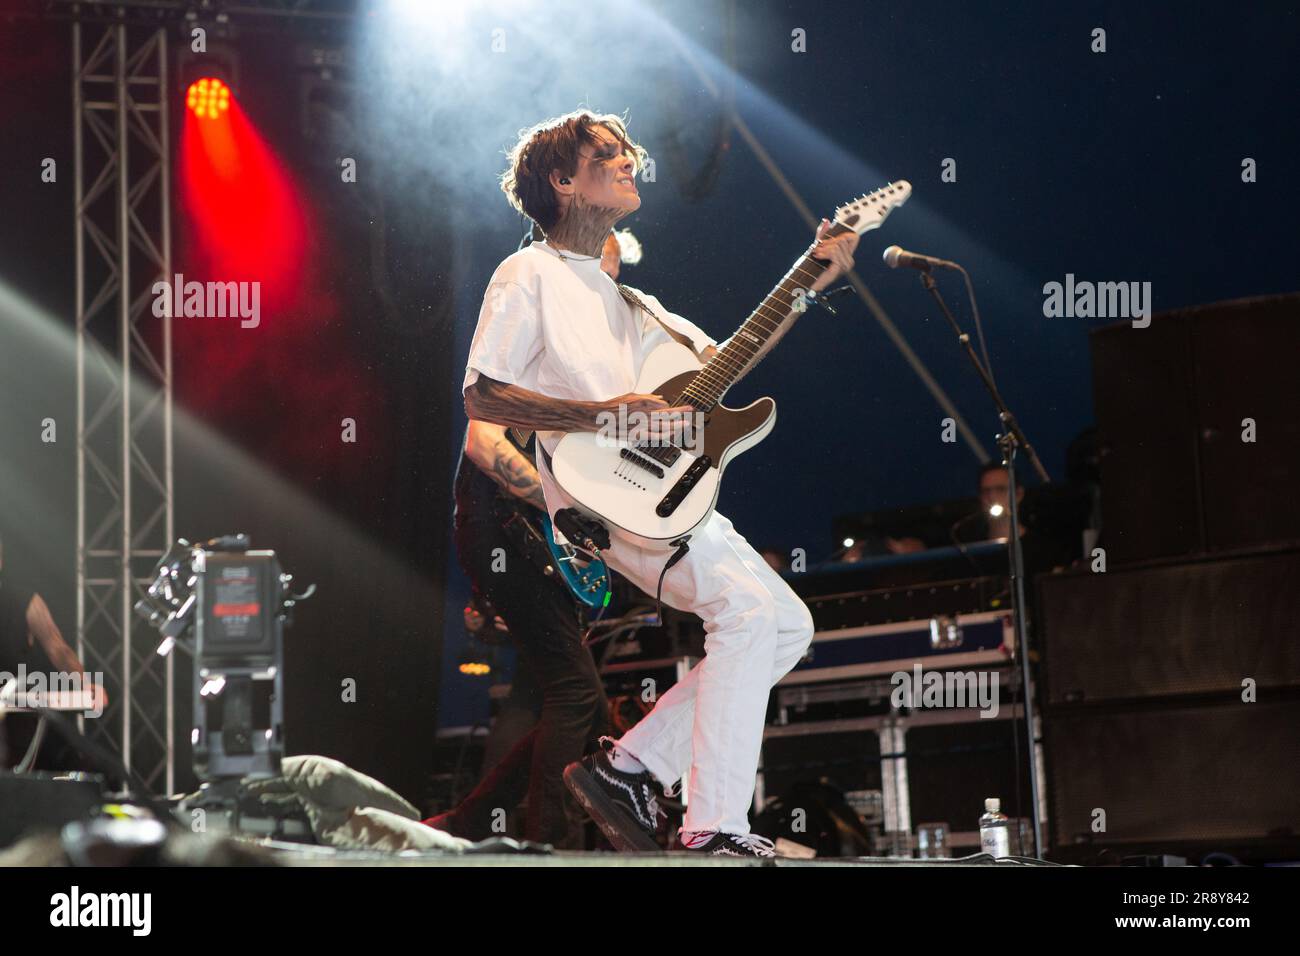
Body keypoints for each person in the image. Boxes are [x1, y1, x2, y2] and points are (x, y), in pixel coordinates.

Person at [461, 109, 859, 856]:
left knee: (787, 626)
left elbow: (727, 358)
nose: (628, 162)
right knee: (743, 614)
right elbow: (482, 397)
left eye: (625, 152)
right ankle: (713, 827)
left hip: (670, 492)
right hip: (604, 493)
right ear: (562, 180)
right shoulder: (528, 274)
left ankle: (630, 766)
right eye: (607, 155)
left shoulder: (628, 299)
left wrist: (809, 280)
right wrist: (605, 416)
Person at [428, 228, 643, 848]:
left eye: (614, 276)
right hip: (503, 524)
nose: (611, 288)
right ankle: (550, 845)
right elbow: (482, 441)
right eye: (600, 273)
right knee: (575, 692)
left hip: (529, 537)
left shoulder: (580, 361)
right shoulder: (527, 333)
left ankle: (470, 822)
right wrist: (560, 503)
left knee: (583, 706)